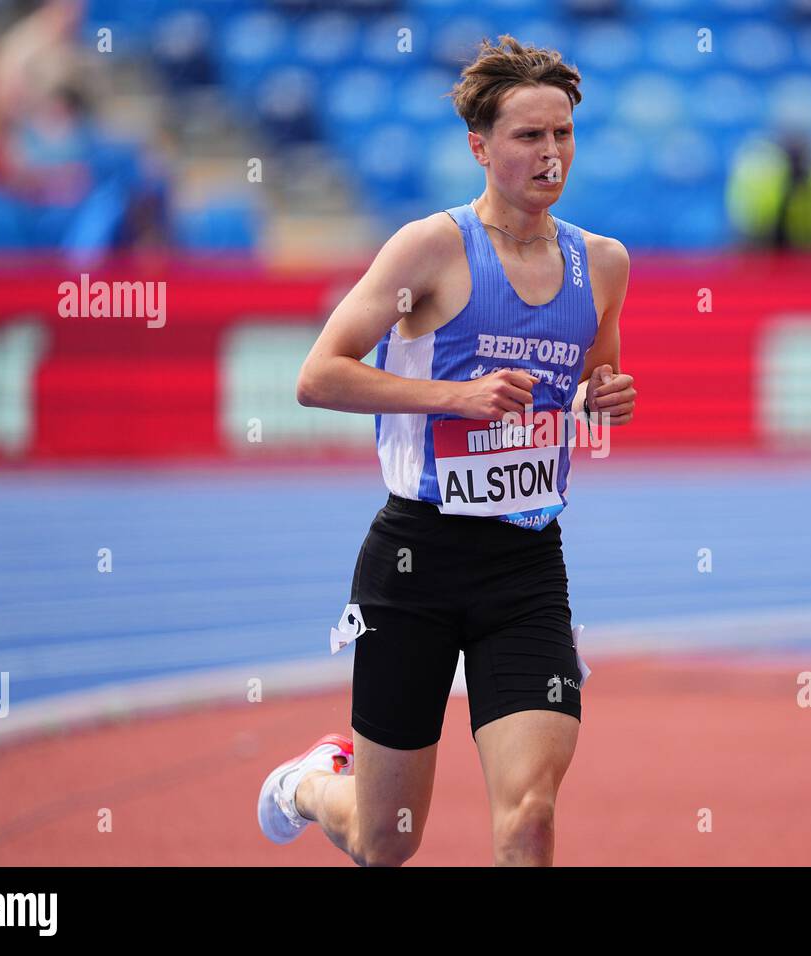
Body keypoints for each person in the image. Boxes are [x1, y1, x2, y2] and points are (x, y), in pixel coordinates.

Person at [256, 35, 635, 867]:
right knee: (385, 842)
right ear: (481, 146)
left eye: (563, 134)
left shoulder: (601, 265)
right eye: (528, 137)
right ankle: (314, 782)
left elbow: (581, 388)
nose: (550, 155)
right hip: (414, 561)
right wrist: (452, 397)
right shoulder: (429, 248)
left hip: (527, 565)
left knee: (529, 817)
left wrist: (595, 398)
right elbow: (318, 376)